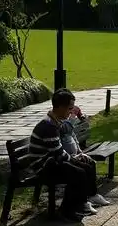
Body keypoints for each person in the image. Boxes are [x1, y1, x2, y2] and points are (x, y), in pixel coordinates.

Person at [29, 89, 107, 219]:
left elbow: (59, 151)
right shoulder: (49, 125)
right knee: (78, 172)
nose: (71, 112)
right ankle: (67, 210)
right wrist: (75, 159)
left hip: (52, 161)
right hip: (44, 166)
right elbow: (58, 153)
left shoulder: (55, 122)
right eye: (69, 108)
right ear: (60, 107)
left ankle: (80, 204)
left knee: (85, 166)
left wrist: (78, 158)